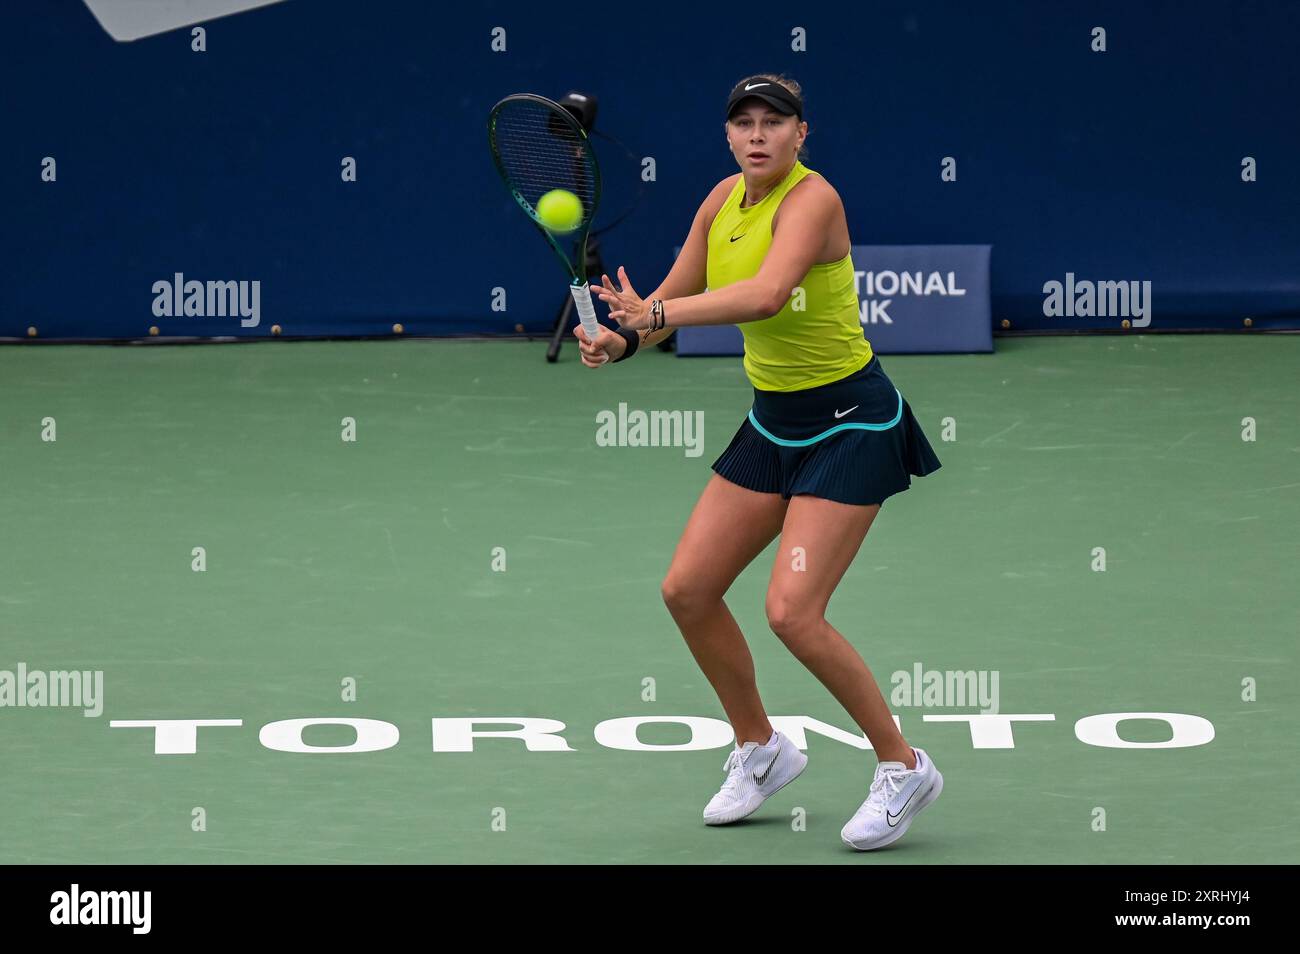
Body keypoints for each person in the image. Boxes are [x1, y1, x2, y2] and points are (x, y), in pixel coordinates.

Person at [574, 74, 943, 851]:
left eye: (774, 122)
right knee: (688, 590)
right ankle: (762, 748)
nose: (758, 134)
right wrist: (624, 339)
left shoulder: (815, 202)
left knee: (791, 614)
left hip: (849, 425)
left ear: (801, 134)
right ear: (729, 135)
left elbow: (769, 294)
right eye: (743, 122)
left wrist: (660, 315)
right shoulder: (721, 200)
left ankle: (904, 766)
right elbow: (676, 291)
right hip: (773, 425)